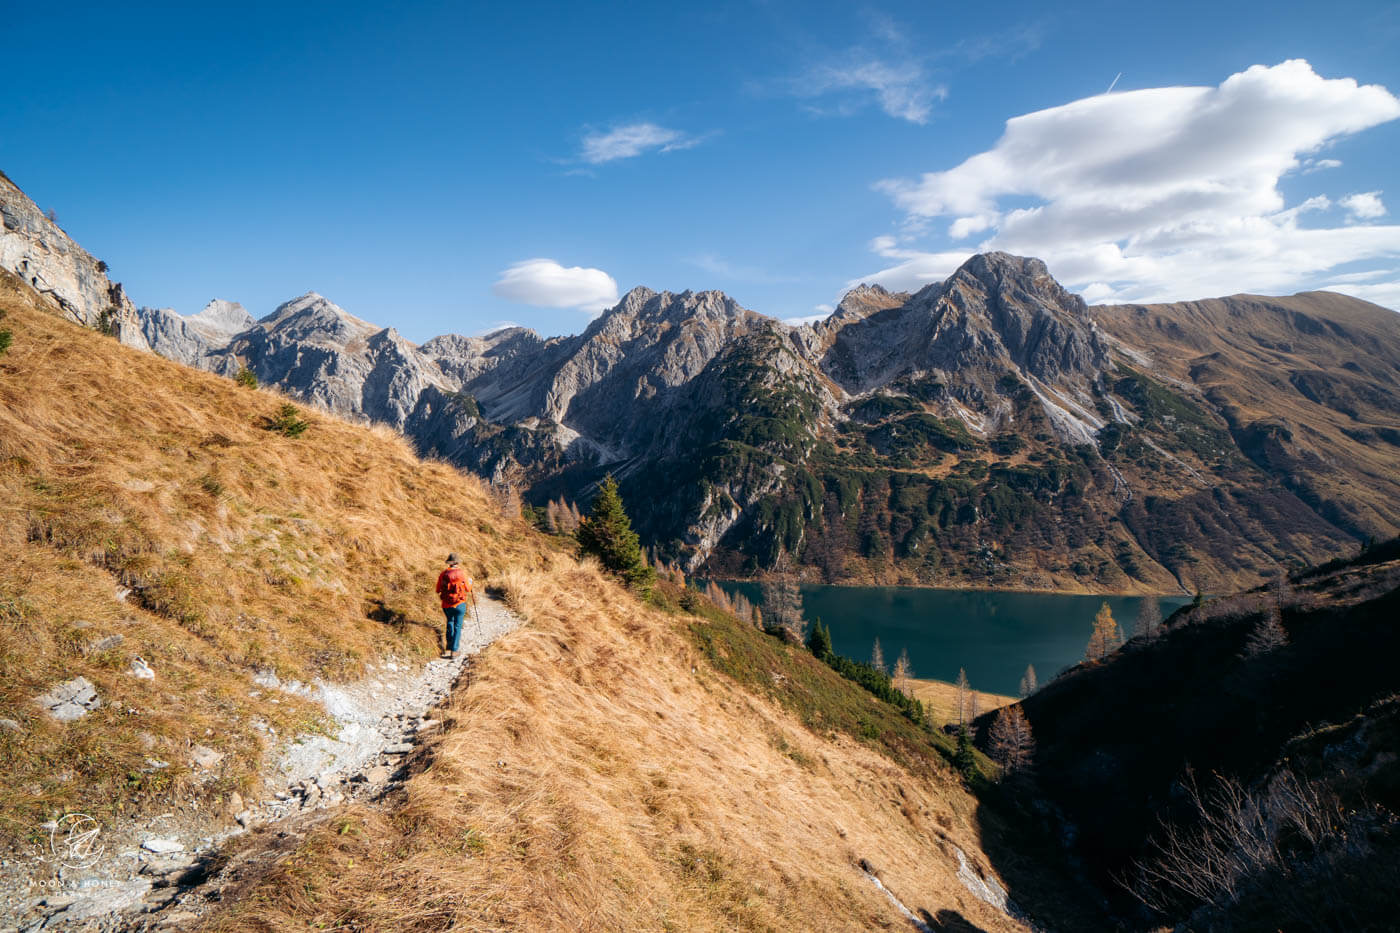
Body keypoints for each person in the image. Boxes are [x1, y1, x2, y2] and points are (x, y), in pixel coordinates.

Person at [434, 553, 473, 659]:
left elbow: (437, 590)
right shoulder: (462, 574)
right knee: (457, 626)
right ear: (457, 563)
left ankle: (449, 647)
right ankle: (454, 651)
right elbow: (468, 589)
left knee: (450, 622)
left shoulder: (443, 574)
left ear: (449, 563)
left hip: (446, 604)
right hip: (460, 604)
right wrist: (470, 583)